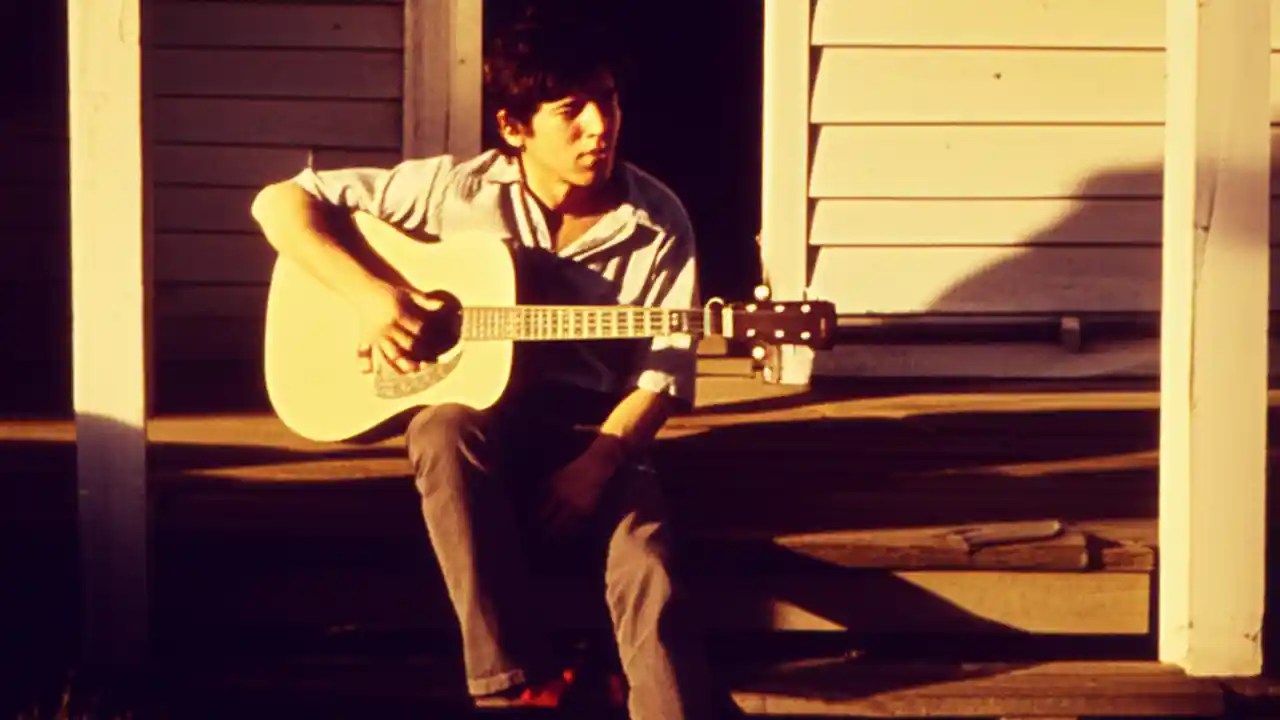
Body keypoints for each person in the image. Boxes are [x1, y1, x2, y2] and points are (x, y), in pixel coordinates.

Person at [250, 11, 715, 720]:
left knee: (648, 567)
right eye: (571, 111)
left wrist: (594, 468)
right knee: (441, 427)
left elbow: (661, 374)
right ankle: (514, 685)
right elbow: (279, 203)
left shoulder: (659, 221)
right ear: (514, 127)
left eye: (609, 99)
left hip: (596, 431)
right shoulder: (453, 192)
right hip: (486, 422)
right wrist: (374, 298)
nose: (600, 126)